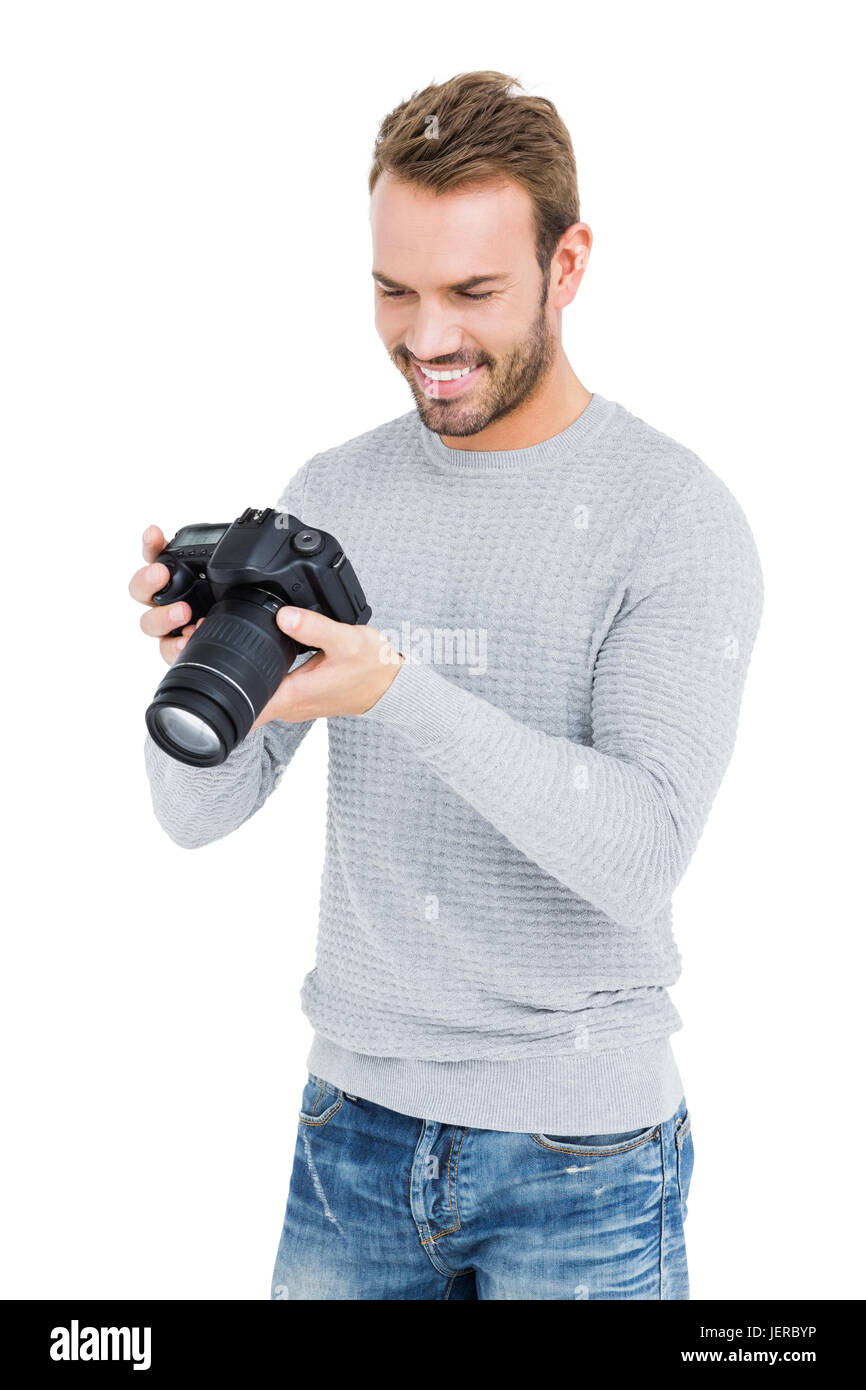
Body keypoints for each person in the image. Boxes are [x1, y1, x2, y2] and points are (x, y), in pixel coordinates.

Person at [129, 71, 763, 1300]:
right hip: (349, 1136)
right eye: (393, 289)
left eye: (471, 293)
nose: (425, 340)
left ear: (565, 265)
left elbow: (640, 853)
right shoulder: (335, 492)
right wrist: (195, 674)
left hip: (582, 1157)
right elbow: (194, 817)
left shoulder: (672, 516)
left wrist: (395, 690)